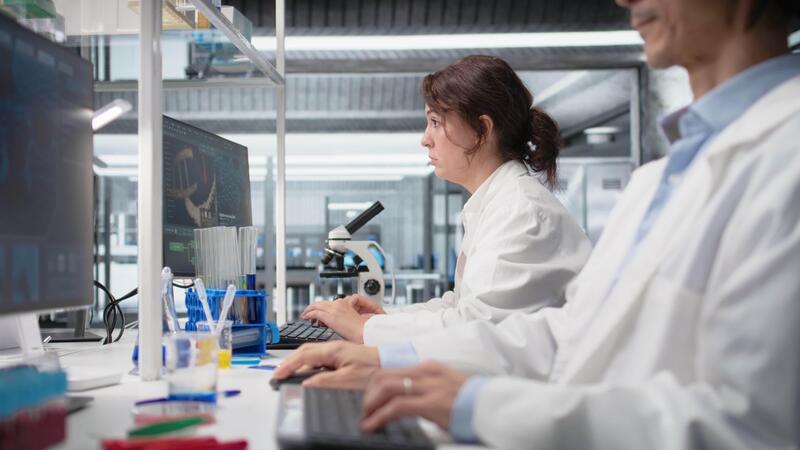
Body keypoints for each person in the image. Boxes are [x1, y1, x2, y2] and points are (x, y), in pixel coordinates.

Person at [275, 0, 800, 448]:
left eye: (436, 122)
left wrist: (474, 399)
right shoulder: (657, 181)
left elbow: (753, 424)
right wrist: (397, 360)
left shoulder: (786, 159)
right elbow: (568, 334)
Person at [302, 55, 591, 345]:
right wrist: (382, 318)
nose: (425, 139)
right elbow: (459, 306)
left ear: (482, 130)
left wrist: (365, 331)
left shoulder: (520, 212)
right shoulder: (495, 204)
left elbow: (476, 328)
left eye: (435, 122)